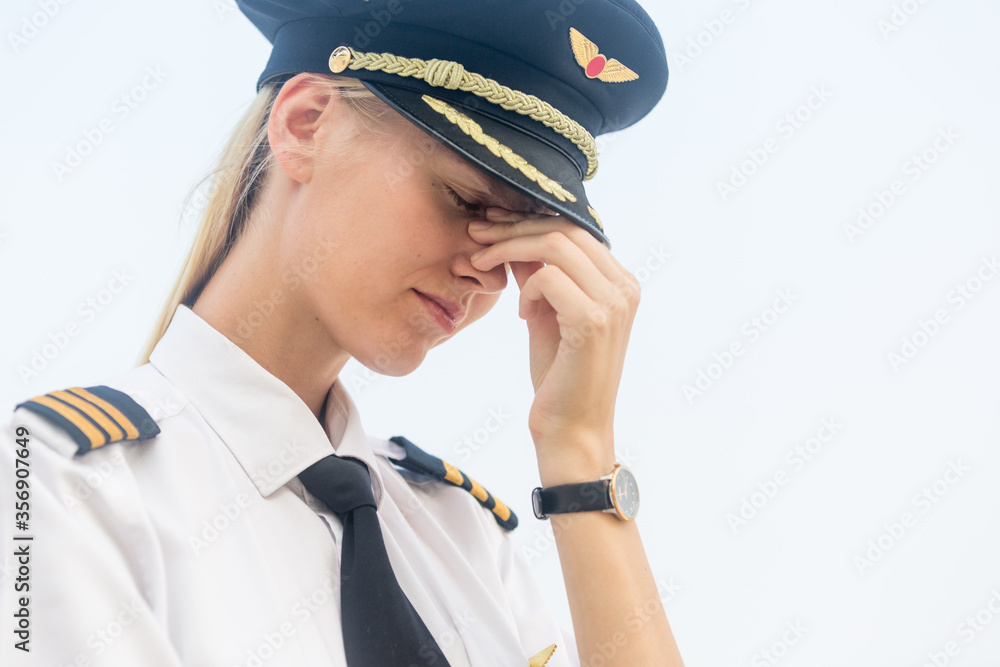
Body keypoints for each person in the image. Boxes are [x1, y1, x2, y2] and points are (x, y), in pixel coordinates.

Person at [1, 1, 684, 665]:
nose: (487, 271)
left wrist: (579, 455)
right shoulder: (56, 486)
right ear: (305, 124)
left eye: (521, 236)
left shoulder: (464, 535)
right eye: (465, 200)